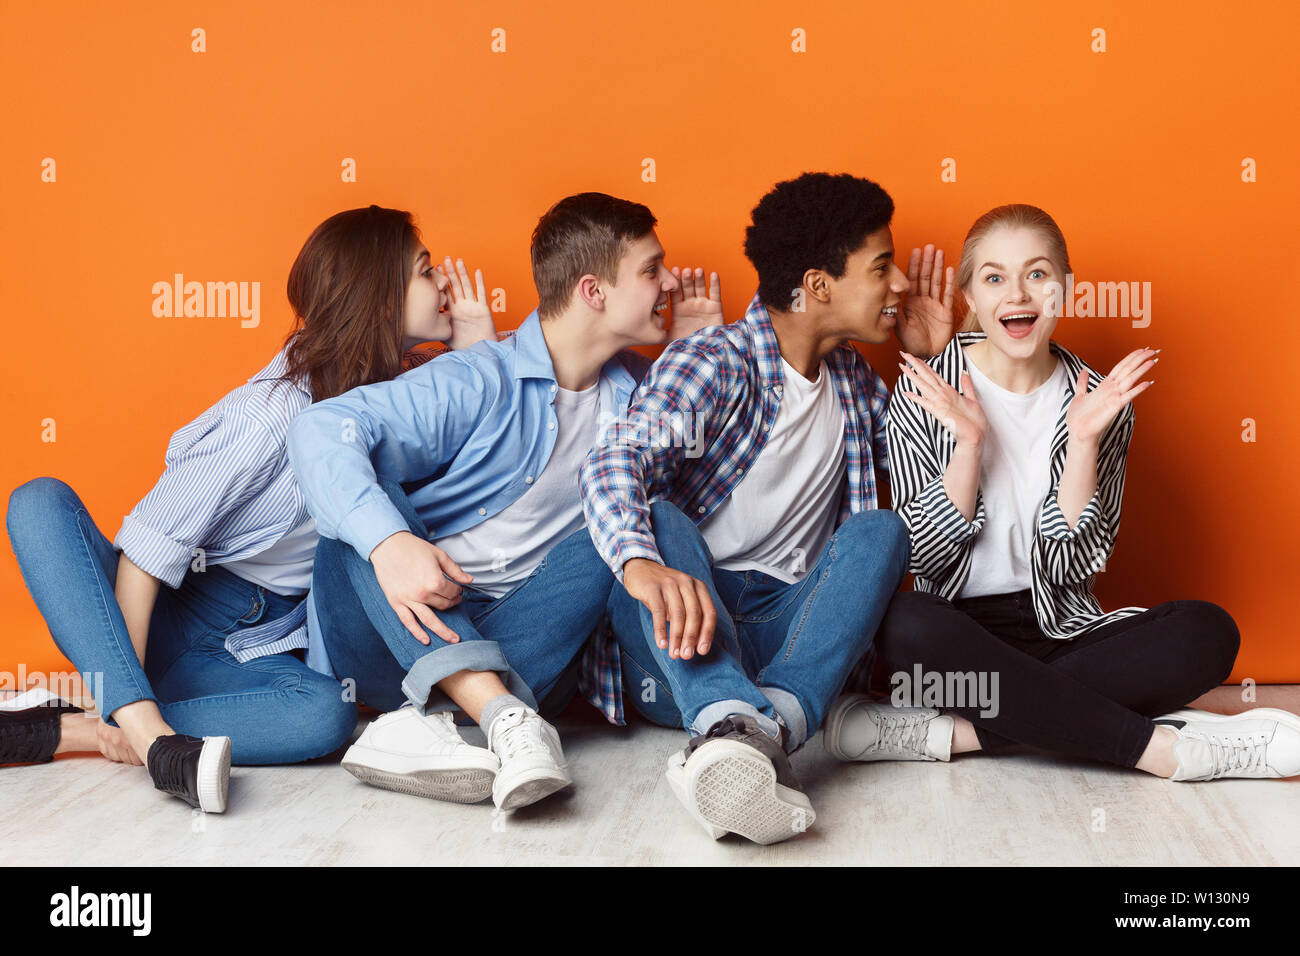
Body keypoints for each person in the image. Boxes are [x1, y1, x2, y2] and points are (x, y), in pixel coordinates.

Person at [2, 205, 499, 812]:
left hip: (241, 645)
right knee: (38, 501)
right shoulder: (267, 418)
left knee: (326, 715)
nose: (444, 282)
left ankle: (82, 729)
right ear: (379, 293)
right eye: (426, 271)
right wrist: (121, 681)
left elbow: (479, 474)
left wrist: (480, 347)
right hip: (158, 614)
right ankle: (150, 736)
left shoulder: (403, 394)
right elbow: (146, 555)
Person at [823, 202, 1300, 782]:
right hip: (956, 642)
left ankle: (956, 735)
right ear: (970, 297)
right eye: (995, 278)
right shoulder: (927, 391)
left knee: (1209, 632)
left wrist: (1080, 442)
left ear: (1064, 290)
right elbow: (926, 557)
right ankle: (1161, 748)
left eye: (1038, 274)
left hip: (1064, 634)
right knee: (900, 621)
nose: (1017, 294)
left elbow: (1080, 563)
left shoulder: (1099, 401)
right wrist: (970, 445)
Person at [288, 192, 724, 812]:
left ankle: (456, 726)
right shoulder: (477, 377)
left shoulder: (641, 399)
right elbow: (321, 428)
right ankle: (502, 722)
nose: (671, 282)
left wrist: (700, 360)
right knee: (363, 513)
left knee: (637, 525)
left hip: (522, 649)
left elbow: (708, 505)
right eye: (653, 270)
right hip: (392, 641)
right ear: (594, 292)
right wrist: (391, 545)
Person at [580, 172, 958, 845]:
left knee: (881, 530)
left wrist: (936, 363)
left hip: (796, 637)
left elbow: (937, 518)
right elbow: (616, 460)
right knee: (662, 519)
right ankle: (730, 713)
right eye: (881, 266)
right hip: (686, 636)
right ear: (817, 287)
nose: (900, 284)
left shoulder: (857, 384)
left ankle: (757, 729)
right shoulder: (716, 362)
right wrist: (640, 567)